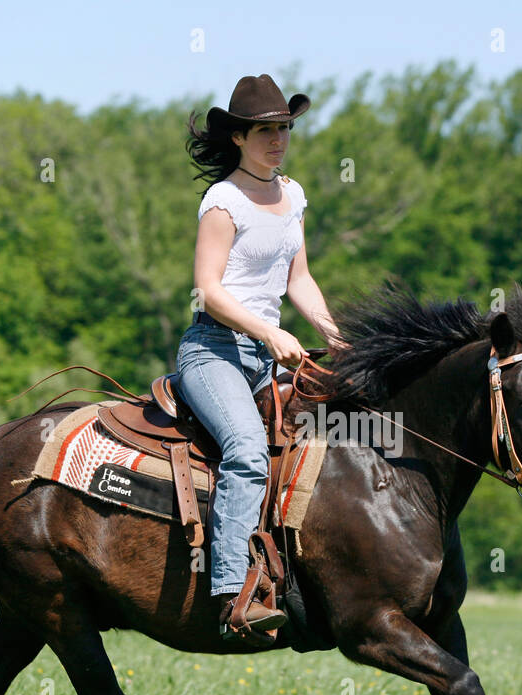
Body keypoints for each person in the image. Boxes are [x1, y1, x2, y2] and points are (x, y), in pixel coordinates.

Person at [177, 74, 340, 639]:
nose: (277, 139)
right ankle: (231, 593)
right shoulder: (223, 201)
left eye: (284, 128)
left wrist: (331, 333)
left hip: (269, 356)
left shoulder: (292, 195)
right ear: (240, 138)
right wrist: (269, 335)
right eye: (265, 130)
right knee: (248, 451)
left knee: (330, 442)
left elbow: (300, 279)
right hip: (214, 352)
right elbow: (209, 289)